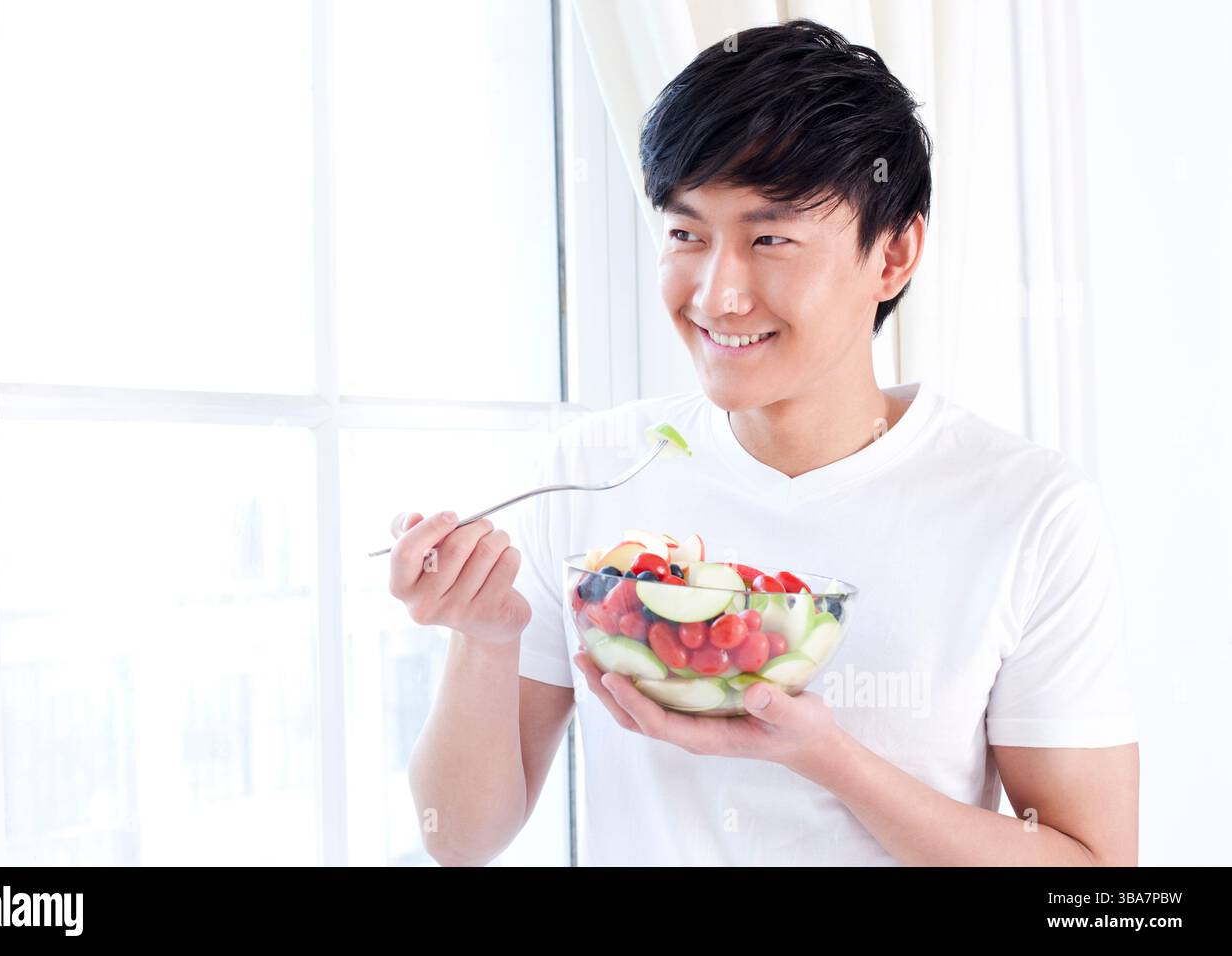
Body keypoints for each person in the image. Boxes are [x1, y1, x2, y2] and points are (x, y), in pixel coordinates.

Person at [389, 19, 1139, 866]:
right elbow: (460, 837)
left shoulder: (1027, 507)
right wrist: (483, 639)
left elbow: (1098, 883)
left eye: (770, 238)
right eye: (685, 235)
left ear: (893, 255)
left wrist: (829, 760)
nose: (718, 294)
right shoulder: (591, 472)